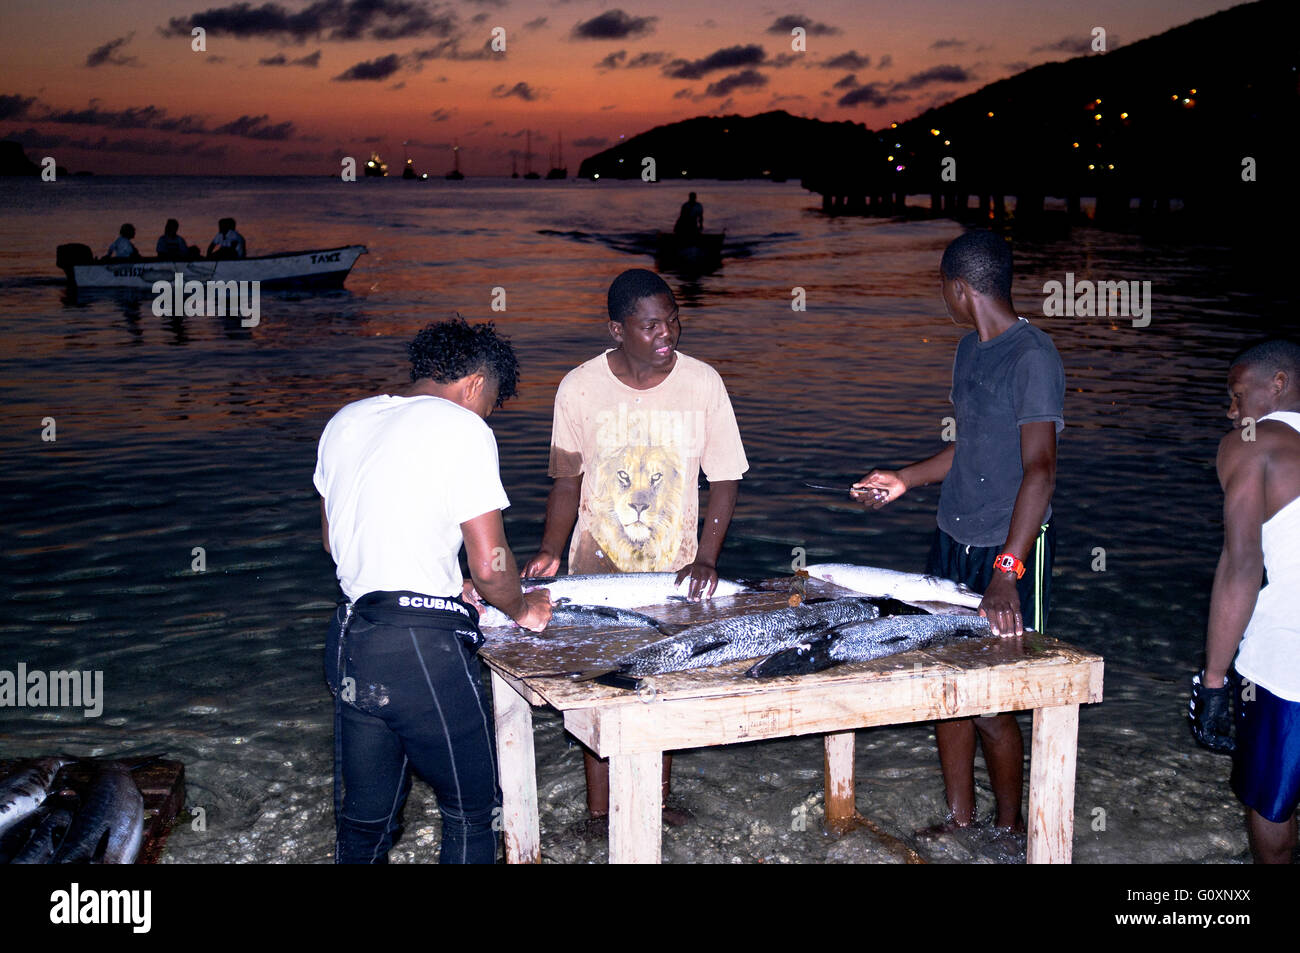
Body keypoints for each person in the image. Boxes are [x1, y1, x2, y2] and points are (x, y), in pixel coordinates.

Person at [314, 318, 552, 864]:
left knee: (366, 816)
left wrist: (445, 583)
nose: (486, 413)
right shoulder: (461, 428)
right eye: (490, 401)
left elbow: (336, 543)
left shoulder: (347, 420)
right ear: (474, 384)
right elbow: (492, 566)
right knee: (472, 810)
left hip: (351, 640)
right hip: (420, 654)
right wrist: (522, 607)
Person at [853, 229, 1063, 834]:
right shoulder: (970, 350)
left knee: (994, 705)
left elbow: (1041, 471)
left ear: (960, 288)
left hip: (1008, 548)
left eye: (943, 290)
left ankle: (1009, 830)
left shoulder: (1033, 357)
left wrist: (1008, 571)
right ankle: (959, 819)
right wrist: (905, 479)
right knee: (948, 685)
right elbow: (967, 447)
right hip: (951, 538)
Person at [523, 267, 748, 821]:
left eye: (672, 320)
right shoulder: (578, 387)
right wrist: (552, 550)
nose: (666, 334)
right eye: (650, 326)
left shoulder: (703, 383)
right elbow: (566, 480)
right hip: (594, 566)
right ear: (616, 331)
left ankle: (655, 805)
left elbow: (725, 479)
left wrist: (706, 558)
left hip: (673, 571)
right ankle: (602, 817)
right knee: (602, 692)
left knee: (658, 687)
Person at [1192, 338, 1300, 864]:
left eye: (1237, 395)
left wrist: (1213, 681)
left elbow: (1241, 562)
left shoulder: (1252, 442)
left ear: (1278, 384)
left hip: (1288, 665)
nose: (1231, 411)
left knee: (1272, 807)